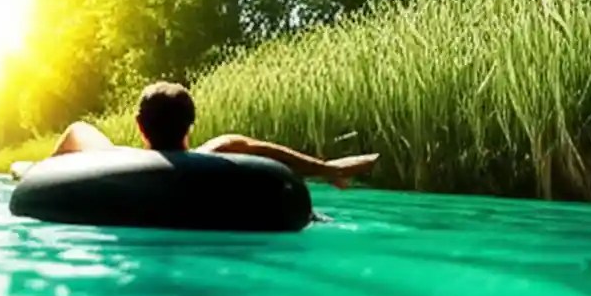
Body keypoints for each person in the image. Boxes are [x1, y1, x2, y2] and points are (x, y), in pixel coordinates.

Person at [43, 81, 379, 188]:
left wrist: (41, 176)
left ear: (138, 125)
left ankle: (38, 169)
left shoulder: (110, 161)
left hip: (108, 166)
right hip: (197, 166)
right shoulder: (215, 152)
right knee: (227, 142)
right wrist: (327, 168)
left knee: (79, 130)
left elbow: (76, 132)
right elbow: (255, 148)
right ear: (192, 125)